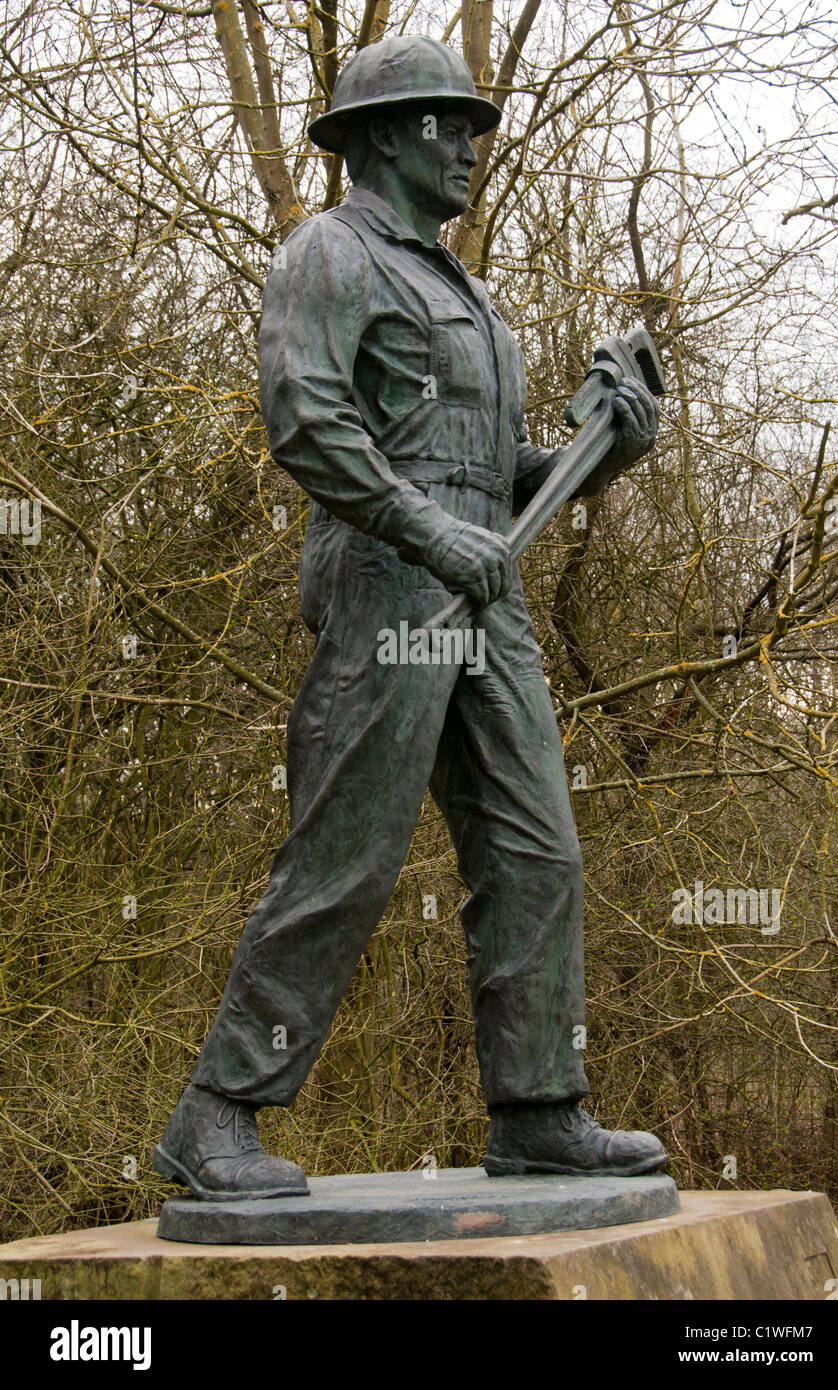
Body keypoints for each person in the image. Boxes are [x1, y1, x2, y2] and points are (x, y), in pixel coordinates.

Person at [154, 36, 665, 1201]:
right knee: (346, 854)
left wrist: (600, 453)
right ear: (385, 137)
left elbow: (498, 478)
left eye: (473, 130)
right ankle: (215, 1113)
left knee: (538, 851)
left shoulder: (468, 294)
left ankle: (539, 1107)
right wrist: (428, 533)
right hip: (390, 585)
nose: (470, 150)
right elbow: (307, 420)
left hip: (487, 594)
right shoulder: (329, 255)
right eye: (448, 128)